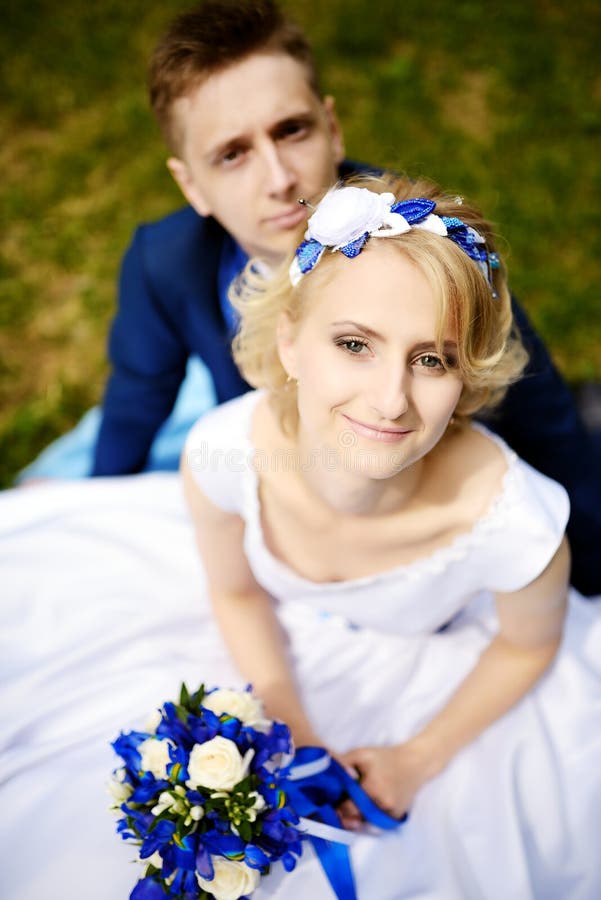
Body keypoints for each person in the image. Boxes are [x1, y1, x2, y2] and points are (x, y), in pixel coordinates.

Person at [18, 0, 600, 596]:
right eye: (232, 154)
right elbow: (136, 399)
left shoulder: (423, 245)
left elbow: (540, 414)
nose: (279, 181)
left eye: (291, 131)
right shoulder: (165, 261)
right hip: (269, 436)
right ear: (191, 183)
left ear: (333, 128)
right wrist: (90, 503)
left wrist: (587, 561)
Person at [178, 175, 601, 897]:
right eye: (353, 344)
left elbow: (526, 643)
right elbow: (236, 591)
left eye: (430, 358)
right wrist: (286, 716)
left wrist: (416, 757)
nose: (389, 399)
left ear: (464, 378)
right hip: (283, 656)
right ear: (288, 342)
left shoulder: (511, 523)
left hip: (444, 671)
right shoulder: (223, 457)